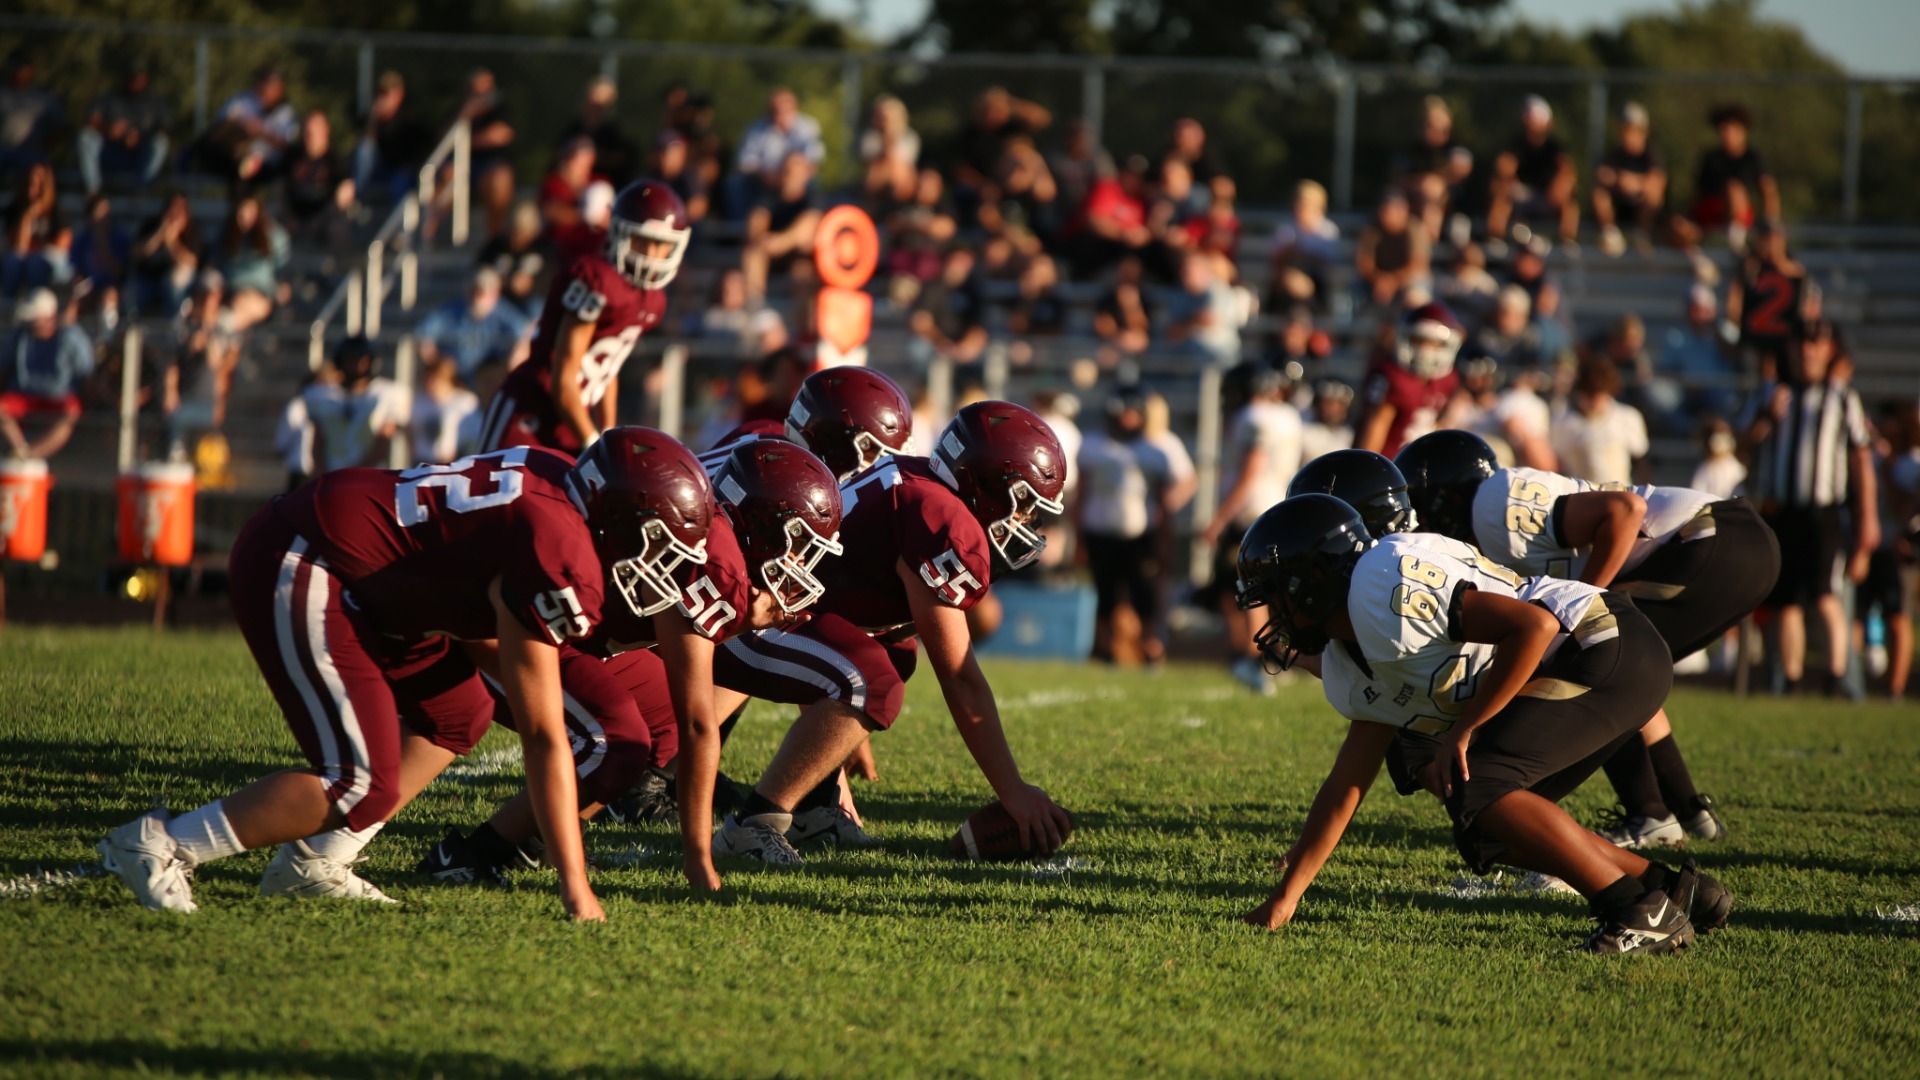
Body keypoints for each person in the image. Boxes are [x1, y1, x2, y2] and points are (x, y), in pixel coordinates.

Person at [96, 427, 714, 921]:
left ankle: (312, 865)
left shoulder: (558, 480)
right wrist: (575, 887)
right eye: (657, 546)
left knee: (458, 715)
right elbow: (545, 734)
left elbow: (469, 576)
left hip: (372, 573)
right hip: (314, 558)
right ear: (616, 521)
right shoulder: (559, 551)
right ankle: (161, 842)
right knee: (358, 783)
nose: (660, 567)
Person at [1234, 493, 1727, 955]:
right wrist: (1287, 898)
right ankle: (1670, 889)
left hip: (1602, 641)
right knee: (1481, 827)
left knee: (1480, 785)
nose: (1271, 615)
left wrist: (1464, 730)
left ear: (1313, 582)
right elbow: (1346, 785)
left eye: (1276, 597)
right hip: (1590, 658)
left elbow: (1533, 626)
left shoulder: (1380, 584)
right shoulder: (1349, 657)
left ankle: (1632, 908)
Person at [419, 440, 843, 890]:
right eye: (798, 544)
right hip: (527, 623)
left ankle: (539, 838)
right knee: (619, 739)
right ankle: (479, 851)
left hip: (574, 628)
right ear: (760, 526)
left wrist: (737, 618)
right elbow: (699, 725)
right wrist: (698, 857)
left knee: (658, 722)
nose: (799, 563)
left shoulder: (715, 544)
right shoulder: (716, 567)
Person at [708, 396, 1076, 862]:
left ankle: (814, 811)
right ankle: (755, 823)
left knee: (893, 656)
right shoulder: (945, 523)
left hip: (767, 608)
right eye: (1025, 508)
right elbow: (960, 676)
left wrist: (833, 748)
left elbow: (850, 616)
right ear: (990, 487)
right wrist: (1013, 789)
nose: (1027, 523)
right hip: (744, 614)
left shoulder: (919, 479)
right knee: (871, 683)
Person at [1396, 429, 1779, 848]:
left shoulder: (1493, 502)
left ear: (1446, 497)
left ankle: (1651, 814)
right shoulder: (1490, 525)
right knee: (1621, 671)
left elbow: (1624, 510)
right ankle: (1685, 810)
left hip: (1712, 538)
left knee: (1601, 661)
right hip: (1731, 543)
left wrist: (1592, 598)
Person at [479, 181, 689, 457]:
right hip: (529, 414)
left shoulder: (653, 301)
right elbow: (563, 379)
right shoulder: (597, 281)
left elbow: (607, 371)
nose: (650, 255)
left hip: (573, 421)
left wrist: (607, 434)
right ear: (618, 234)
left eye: (660, 244)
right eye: (642, 241)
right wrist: (593, 442)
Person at [1743, 319, 1878, 698]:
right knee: (1785, 598)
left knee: (1823, 594)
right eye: (1801, 343)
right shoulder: (1773, 394)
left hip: (1823, 513)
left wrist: (1867, 518)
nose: (1807, 351)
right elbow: (1743, 448)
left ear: (1828, 350)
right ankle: (1792, 678)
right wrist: (1765, 419)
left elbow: (1861, 461)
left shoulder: (1842, 398)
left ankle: (1835, 677)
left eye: (1816, 344)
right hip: (1779, 509)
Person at [1201, 363, 1302, 694]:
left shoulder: (1252, 418)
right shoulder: (1288, 415)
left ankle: (1256, 658)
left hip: (1251, 514)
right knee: (1268, 593)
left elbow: (1251, 471)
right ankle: (1272, 657)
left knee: (1245, 592)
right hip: (1280, 510)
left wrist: (1219, 518)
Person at [1356, 302, 1461, 459]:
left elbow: (1444, 423)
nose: (1426, 351)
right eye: (1419, 340)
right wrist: (1368, 471)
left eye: (1434, 343)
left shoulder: (1448, 379)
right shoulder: (1393, 376)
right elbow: (1373, 436)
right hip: (1389, 467)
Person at [1671, 103, 1778, 256]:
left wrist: (1769, 224)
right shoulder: (1711, 158)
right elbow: (1698, 194)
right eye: (1723, 130)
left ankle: (1735, 241)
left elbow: (1768, 191)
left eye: (1731, 129)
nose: (1727, 135)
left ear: (1743, 131)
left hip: (1740, 216)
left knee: (1733, 188)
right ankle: (1698, 259)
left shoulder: (1753, 158)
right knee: (1676, 225)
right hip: (1710, 217)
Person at [0, 288, 94, 460]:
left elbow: (86, 374)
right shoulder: (20, 335)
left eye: (36, 317)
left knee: (70, 413)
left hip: (59, 398)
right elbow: (4, 368)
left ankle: (31, 456)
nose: (32, 322)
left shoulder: (70, 337)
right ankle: (20, 450)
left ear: (49, 317)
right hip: (24, 396)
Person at [160, 269, 239, 459]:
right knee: (174, 416)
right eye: (204, 294)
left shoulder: (224, 323)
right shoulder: (185, 321)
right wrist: (170, 392)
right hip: (185, 397)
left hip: (209, 400)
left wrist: (207, 332)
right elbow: (172, 363)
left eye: (213, 294)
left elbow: (219, 363)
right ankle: (175, 459)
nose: (208, 299)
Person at [1487, 94, 1578, 245]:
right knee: (1501, 198)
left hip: (1547, 198)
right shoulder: (1516, 145)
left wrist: (1557, 192)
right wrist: (1507, 183)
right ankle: (1496, 243)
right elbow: (1505, 169)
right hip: (1522, 194)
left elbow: (1567, 174)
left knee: (1570, 206)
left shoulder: (1554, 148)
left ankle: (1567, 245)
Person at [415, 266, 532, 383]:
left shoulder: (503, 313)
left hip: (488, 381)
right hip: (454, 381)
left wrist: (514, 359)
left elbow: (526, 334)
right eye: (473, 291)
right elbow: (423, 334)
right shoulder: (453, 309)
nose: (476, 298)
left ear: (495, 294)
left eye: (482, 293)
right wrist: (438, 363)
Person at [306, 335, 405, 473]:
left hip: (367, 478)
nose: (357, 366)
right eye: (350, 360)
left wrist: (352, 475)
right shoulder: (321, 395)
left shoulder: (386, 394)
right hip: (332, 476)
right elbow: (317, 444)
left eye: (362, 360)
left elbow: (381, 446)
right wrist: (324, 477)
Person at [1551, 358, 1649, 486]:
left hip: (1620, 493)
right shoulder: (1563, 422)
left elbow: (1641, 460)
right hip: (1580, 497)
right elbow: (1555, 464)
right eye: (1588, 395)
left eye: (1599, 395)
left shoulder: (1628, 417)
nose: (1593, 402)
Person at [77, 61, 170, 195]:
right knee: (86, 137)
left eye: (139, 78)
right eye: (131, 77)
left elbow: (168, 127)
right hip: (110, 155)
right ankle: (93, 190)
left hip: (139, 158)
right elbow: (90, 121)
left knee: (161, 142)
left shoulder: (154, 102)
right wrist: (107, 130)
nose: (135, 82)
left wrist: (140, 137)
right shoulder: (109, 99)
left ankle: (141, 190)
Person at [741, 151, 821, 302]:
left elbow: (809, 224)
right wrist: (762, 239)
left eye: (796, 171)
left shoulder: (813, 197)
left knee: (802, 273)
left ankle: (801, 323)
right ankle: (755, 309)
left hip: (800, 257)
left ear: (806, 174)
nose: (791, 175)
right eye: (788, 171)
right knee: (752, 256)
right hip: (771, 257)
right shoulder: (770, 195)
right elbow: (757, 220)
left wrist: (782, 242)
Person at [1592, 103, 1665, 257]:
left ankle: (1641, 236)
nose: (1627, 135)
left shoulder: (1650, 155)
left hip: (1642, 207)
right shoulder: (1615, 154)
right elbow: (1602, 175)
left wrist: (1634, 182)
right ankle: (1611, 235)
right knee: (1599, 192)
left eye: (1631, 130)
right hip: (1619, 205)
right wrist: (1618, 180)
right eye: (1624, 130)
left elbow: (1657, 182)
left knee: (1654, 194)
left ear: (1643, 132)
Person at [210, 193, 289, 332]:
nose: (244, 215)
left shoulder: (272, 235)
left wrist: (280, 288)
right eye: (240, 210)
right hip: (231, 296)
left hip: (260, 298)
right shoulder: (227, 235)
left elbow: (283, 269)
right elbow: (215, 264)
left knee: (231, 314)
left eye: (248, 210)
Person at [734, 88, 824, 209]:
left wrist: (792, 178)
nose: (780, 113)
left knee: (814, 188)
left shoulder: (807, 127)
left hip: (799, 182)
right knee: (736, 185)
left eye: (785, 109)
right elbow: (745, 163)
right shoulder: (756, 130)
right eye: (775, 109)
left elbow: (814, 160)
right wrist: (769, 178)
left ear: (794, 108)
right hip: (764, 183)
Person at [457, 69, 518, 239]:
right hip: (462, 169)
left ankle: (495, 238)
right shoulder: (461, 112)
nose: (480, 95)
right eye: (475, 91)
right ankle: (424, 232)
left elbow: (501, 135)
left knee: (500, 178)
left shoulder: (500, 111)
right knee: (447, 174)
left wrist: (466, 141)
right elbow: (445, 137)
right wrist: (466, 115)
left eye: (485, 90)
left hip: (489, 169)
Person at [353, 71, 432, 201]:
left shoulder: (409, 119)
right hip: (379, 170)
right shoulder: (371, 120)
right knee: (364, 149)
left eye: (386, 94)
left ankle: (398, 220)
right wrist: (373, 118)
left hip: (401, 171)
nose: (382, 99)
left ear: (399, 95)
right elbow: (365, 148)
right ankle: (359, 201)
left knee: (401, 180)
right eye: (379, 93)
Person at [910, 244, 988, 367]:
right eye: (956, 260)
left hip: (965, 345)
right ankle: (922, 385)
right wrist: (941, 343)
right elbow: (920, 321)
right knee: (919, 348)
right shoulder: (933, 288)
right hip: (935, 343)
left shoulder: (974, 289)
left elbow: (980, 326)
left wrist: (968, 345)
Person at [1269, 180, 1341, 312]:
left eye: (1306, 204)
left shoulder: (1328, 231)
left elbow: (1327, 264)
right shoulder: (1286, 228)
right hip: (1286, 283)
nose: (1301, 207)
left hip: (1317, 283)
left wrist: (1299, 253)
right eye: (1299, 202)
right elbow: (1276, 262)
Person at [128, 192, 203, 318]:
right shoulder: (151, 227)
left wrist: (172, 243)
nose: (174, 214)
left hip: (174, 286)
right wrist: (159, 235)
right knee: (132, 294)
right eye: (171, 208)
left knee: (173, 283)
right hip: (148, 279)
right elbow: (136, 253)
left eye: (179, 210)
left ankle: (176, 325)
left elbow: (191, 262)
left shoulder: (192, 233)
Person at [1164, 249, 1241, 366]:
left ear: (1203, 271)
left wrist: (1186, 324)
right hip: (1185, 354)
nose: (1185, 275)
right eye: (1184, 271)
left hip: (1218, 353)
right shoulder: (1179, 293)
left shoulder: (1218, 291)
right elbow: (1172, 331)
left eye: (1190, 271)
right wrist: (1193, 321)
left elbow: (1208, 319)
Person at [558, 77, 638, 188]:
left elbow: (621, 159)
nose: (595, 106)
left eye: (602, 103)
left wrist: (590, 157)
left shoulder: (615, 134)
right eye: (592, 100)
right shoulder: (573, 130)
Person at [1354, 191, 1429, 309]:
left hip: (1408, 280)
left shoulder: (1415, 229)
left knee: (1415, 295)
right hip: (1376, 281)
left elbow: (1418, 263)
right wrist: (1380, 280)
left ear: (1403, 211)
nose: (1385, 215)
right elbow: (1364, 262)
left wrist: (1392, 281)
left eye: (1389, 211)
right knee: (1353, 294)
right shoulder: (1372, 230)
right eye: (1383, 211)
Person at [0, 49, 64, 177]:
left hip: (30, 151)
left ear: (32, 70)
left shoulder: (43, 97)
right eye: (15, 67)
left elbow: (59, 126)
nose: (18, 72)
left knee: (35, 173)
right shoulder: (2, 93)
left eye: (22, 68)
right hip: (3, 149)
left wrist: (44, 147)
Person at [409, 355, 481, 465]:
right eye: (427, 379)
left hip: (455, 462)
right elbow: (410, 430)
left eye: (435, 379)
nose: (430, 384)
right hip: (422, 462)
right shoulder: (418, 402)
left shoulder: (465, 401)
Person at [859, 95, 920, 208]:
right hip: (877, 189)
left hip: (900, 187)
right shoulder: (870, 138)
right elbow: (872, 174)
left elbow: (903, 171)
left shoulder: (909, 137)